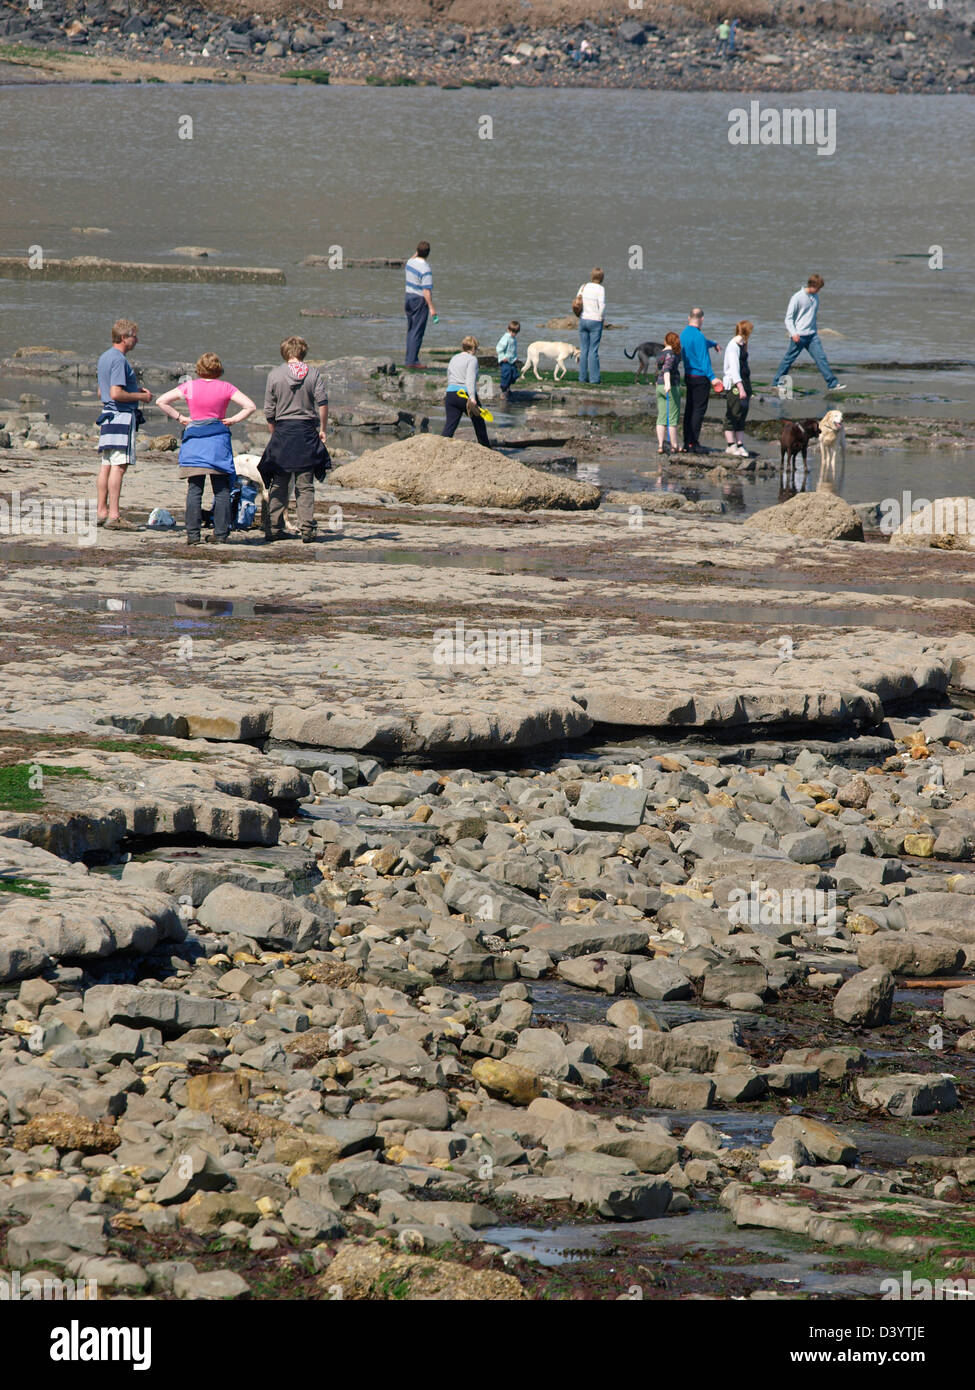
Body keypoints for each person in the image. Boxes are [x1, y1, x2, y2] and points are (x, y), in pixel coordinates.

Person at [156, 353, 256, 546]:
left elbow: (161, 401)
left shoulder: (190, 386)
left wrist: (180, 417)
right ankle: (220, 534)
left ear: (199, 368)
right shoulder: (226, 387)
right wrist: (234, 420)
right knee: (222, 490)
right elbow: (249, 406)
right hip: (218, 443)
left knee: (194, 489)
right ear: (218, 369)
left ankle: (193, 535)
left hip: (195, 442)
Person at [260, 336, 329, 543]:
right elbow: (323, 403)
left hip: (283, 430)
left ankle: (273, 527)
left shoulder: (274, 374)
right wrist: (323, 429)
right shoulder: (313, 373)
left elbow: (269, 410)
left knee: (279, 482)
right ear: (303, 352)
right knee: (305, 484)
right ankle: (307, 528)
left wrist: (275, 433)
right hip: (306, 431)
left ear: (285, 353)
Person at [95, 318, 152, 529]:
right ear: (123, 337)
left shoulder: (104, 358)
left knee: (106, 465)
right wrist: (141, 397)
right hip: (120, 415)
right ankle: (114, 515)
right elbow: (115, 393)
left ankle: (102, 511)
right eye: (133, 336)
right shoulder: (118, 359)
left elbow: (102, 391)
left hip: (107, 414)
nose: (136, 340)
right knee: (118, 466)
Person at [770, 274, 845, 393]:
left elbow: (812, 316)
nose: (819, 291)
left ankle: (833, 384)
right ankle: (776, 383)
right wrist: (793, 333)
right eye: (818, 288)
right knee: (788, 360)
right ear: (812, 285)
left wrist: (815, 330)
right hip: (799, 336)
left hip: (812, 336)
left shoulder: (815, 297)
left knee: (821, 359)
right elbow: (788, 318)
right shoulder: (797, 297)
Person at [679, 307, 722, 454]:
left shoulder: (684, 334)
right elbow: (704, 361)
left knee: (689, 410)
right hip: (700, 378)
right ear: (702, 319)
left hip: (688, 375)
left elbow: (700, 343)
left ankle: (686, 442)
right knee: (698, 411)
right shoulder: (699, 336)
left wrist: (713, 343)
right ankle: (693, 443)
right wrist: (713, 378)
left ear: (689, 318)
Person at [442, 335, 491, 448]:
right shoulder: (472, 359)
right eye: (476, 349)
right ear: (473, 348)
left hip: (451, 395)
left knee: (450, 425)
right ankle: (486, 450)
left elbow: (449, 375)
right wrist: (472, 397)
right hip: (465, 395)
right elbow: (470, 379)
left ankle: (441, 447)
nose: (476, 351)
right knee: (479, 423)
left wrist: (448, 392)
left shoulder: (454, 357)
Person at [722, 320, 753, 457]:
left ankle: (740, 444)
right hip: (735, 384)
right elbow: (734, 370)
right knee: (733, 413)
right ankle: (730, 445)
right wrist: (740, 388)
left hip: (745, 382)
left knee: (742, 413)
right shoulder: (732, 346)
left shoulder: (742, 344)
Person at [404, 240, 436, 368]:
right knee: (417, 331)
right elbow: (426, 291)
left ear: (417, 251)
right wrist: (432, 308)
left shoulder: (410, 262)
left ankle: (410, 358)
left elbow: (413, 257)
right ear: (428, 253)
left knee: (411, 330)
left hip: (408, 298)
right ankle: (412, 361)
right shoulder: (425, 268)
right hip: (419, 300)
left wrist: (417, 252)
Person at [576, 268, 605, 385]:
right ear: (602, 278)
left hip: (583, 319)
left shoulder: (584, 286)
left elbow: (578, 300)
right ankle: (594, 379)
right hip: (595, 321)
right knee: (593, 351)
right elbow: (602, 305)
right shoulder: (601, 289)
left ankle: (582, 378)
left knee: (583, 350)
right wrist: (601, 317)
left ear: (591, 276)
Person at [655, 332, 682, 455]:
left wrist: (658, 382)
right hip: (670, 387)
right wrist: (668, 384)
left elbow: (658, 369)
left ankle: (660, 445)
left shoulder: (660, 353)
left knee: (661, 416)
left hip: (659, 386)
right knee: (672, 417)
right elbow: (667, 370)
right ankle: (674, 445)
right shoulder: (671, 354)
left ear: (665, 341)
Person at [497, 320, 520, 399]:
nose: (513, 334)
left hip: (512, 360)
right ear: (508, 330)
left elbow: (513, 349)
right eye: (512, 332)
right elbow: (499, 348)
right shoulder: (506, 337)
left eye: (515, 332)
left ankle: (508, 386)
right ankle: (504, 389)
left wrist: (515, 357)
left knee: (514, 374)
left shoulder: (513, 339)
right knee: (506, 374)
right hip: (505, 361)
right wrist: (503, 357)